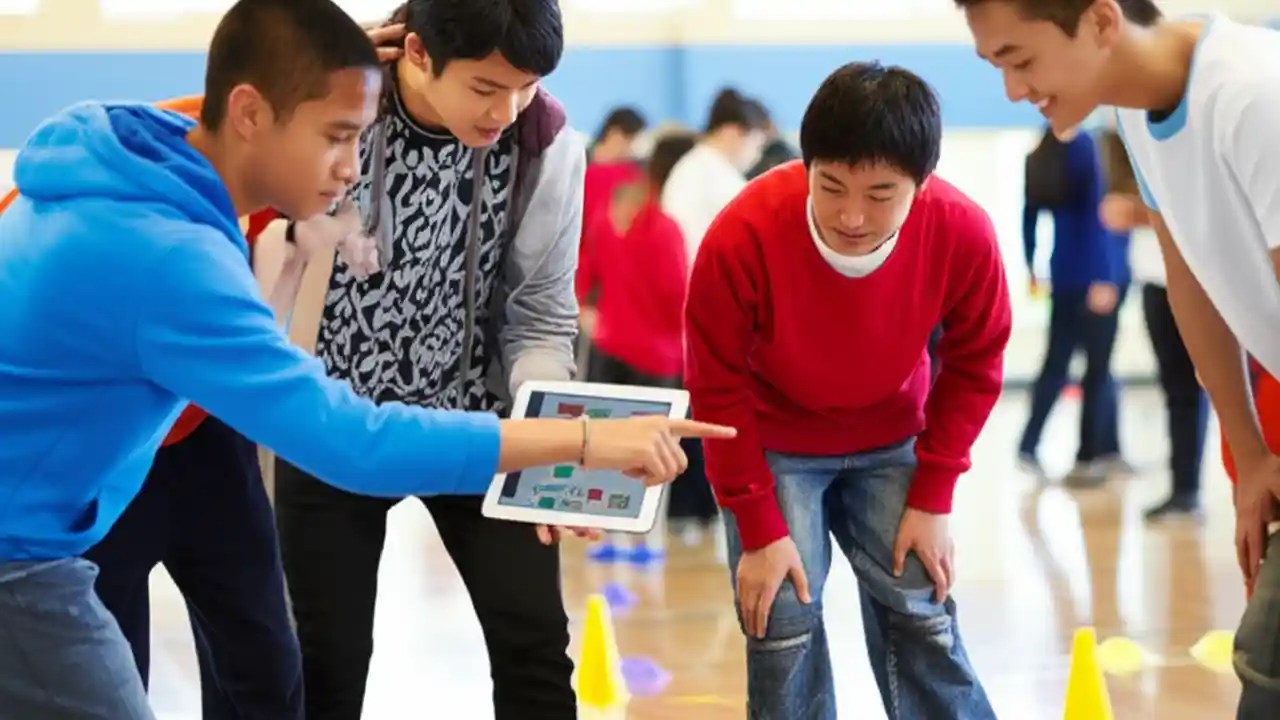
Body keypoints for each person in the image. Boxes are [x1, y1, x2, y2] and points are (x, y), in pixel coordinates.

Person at [0, 1, 734, 718]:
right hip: (27, 552)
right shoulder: (175, 258)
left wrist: (312, 71)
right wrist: (579, 438)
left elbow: (229, 113)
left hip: (44, 535)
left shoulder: (127, 160)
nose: (350, 168)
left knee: (494, 645)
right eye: (338, 134)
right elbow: (352, 440)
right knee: (309, 660)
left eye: (358, 135)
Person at [267, 2, 614, 718]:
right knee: (325, 663)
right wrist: (300, 90)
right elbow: (248, 203)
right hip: (335, 426)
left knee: (537, 647)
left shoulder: (545, 144)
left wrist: (550, 436)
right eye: (486, 89)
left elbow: (541, 316)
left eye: (524, 87)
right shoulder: (337, 111)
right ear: (418, 52)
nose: (508, 110)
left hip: (478, 428)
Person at [957, 0, 1280, 714]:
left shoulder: (1255, 95)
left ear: (1102, 21)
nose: (1014, 90)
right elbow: (1188, 275)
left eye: (1020, 59)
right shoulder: (1134, 109)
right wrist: (1248, 452)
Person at [684, 61, 1010, 720]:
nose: (853, 215)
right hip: (775, 444)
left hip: (893, 438)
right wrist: (755, 519)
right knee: (780, 616)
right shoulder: (743, 231)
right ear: (805, 164)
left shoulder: (961, 230)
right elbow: (715, 385)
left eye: (882, 193)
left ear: (922, 183)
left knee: (920, 603)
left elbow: (976, 362)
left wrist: (934, 491)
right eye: (830, 186)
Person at [577, 131, 698, 561]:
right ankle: (649, 539)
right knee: (657, 452)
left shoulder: (605, 226)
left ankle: (609, 537)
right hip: (656, 355)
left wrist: (587, 314)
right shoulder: (665, 230)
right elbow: (676, 294)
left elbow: (584, 275)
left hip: (610, 347)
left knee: (607, 447)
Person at [1098, 127, 1208, 521]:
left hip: (1189, 281)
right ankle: (1181, 488)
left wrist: (1136, 214)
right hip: (1151, 280)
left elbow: (1198, 213)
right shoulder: (1131, 154)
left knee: (1192, 389)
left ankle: (1189, 490)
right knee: (1174, 388)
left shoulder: (1188, 148)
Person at [1017, 124, 1131, 485]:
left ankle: (1031, 445)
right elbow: (1099, 216)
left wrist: (1032, 264)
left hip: (1063, 271)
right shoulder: (1087, 146)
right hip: (1095, 276)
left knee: (1057, 363)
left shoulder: (1042, 150)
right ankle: (1087, 458)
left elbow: (1029, 213)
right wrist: (1104, 276)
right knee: (1097, 370)